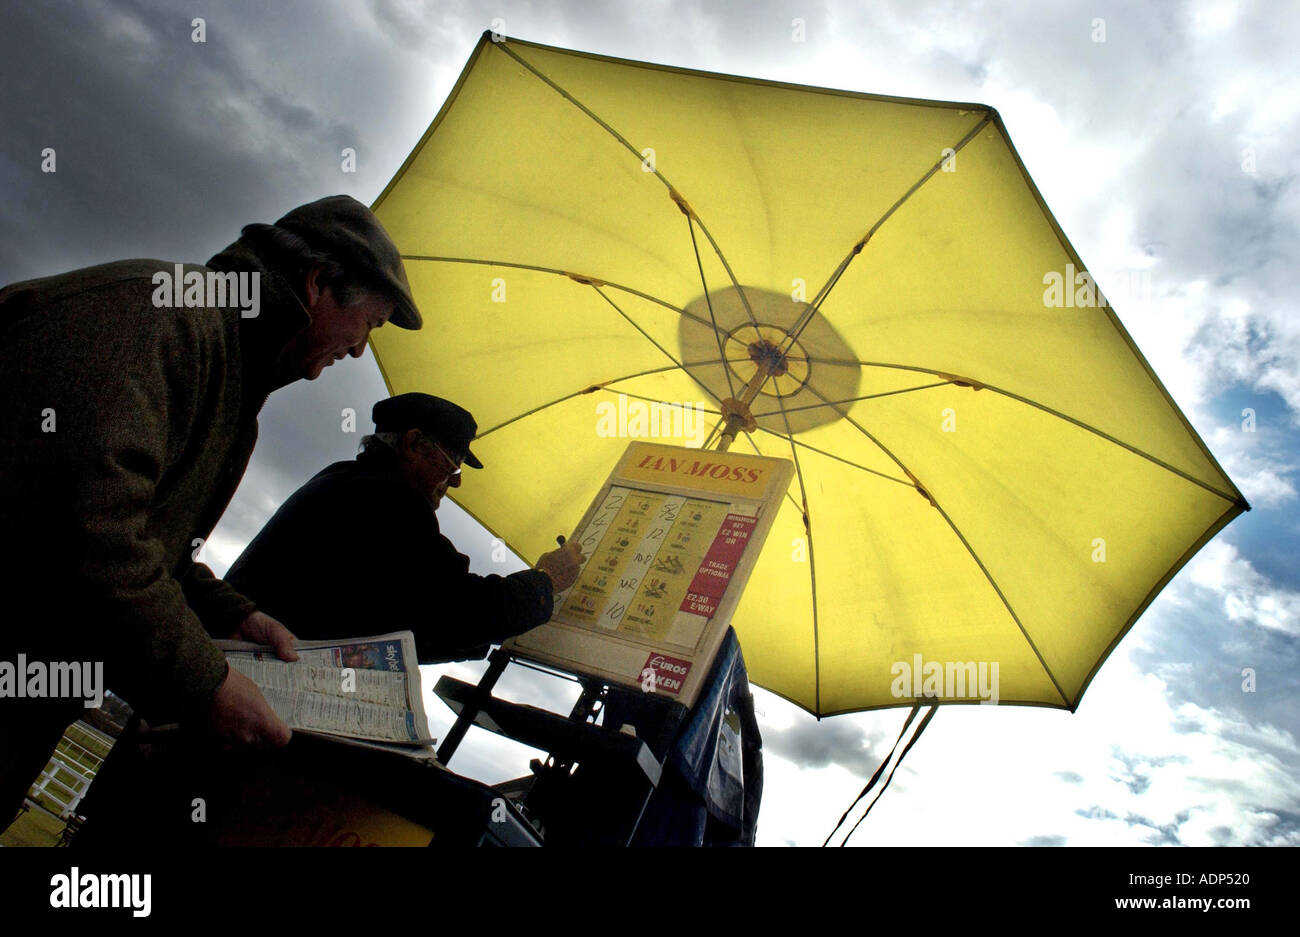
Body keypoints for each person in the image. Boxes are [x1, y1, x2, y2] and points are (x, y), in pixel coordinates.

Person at [0, 195, 422, 824]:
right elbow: (87, 530)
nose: (361, 350)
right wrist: (207, 683)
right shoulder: (157, 319)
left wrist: (234, 615)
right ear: (317, 284)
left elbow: (149, 540)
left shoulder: (226, 380)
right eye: (371, 324)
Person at [225, 393, 583, 662]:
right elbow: (458, 608)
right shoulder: (388, 499)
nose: (454, 482)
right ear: (412, 444)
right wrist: (545, 580)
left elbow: (405, 619)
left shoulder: (348, 479)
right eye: (452, 464)